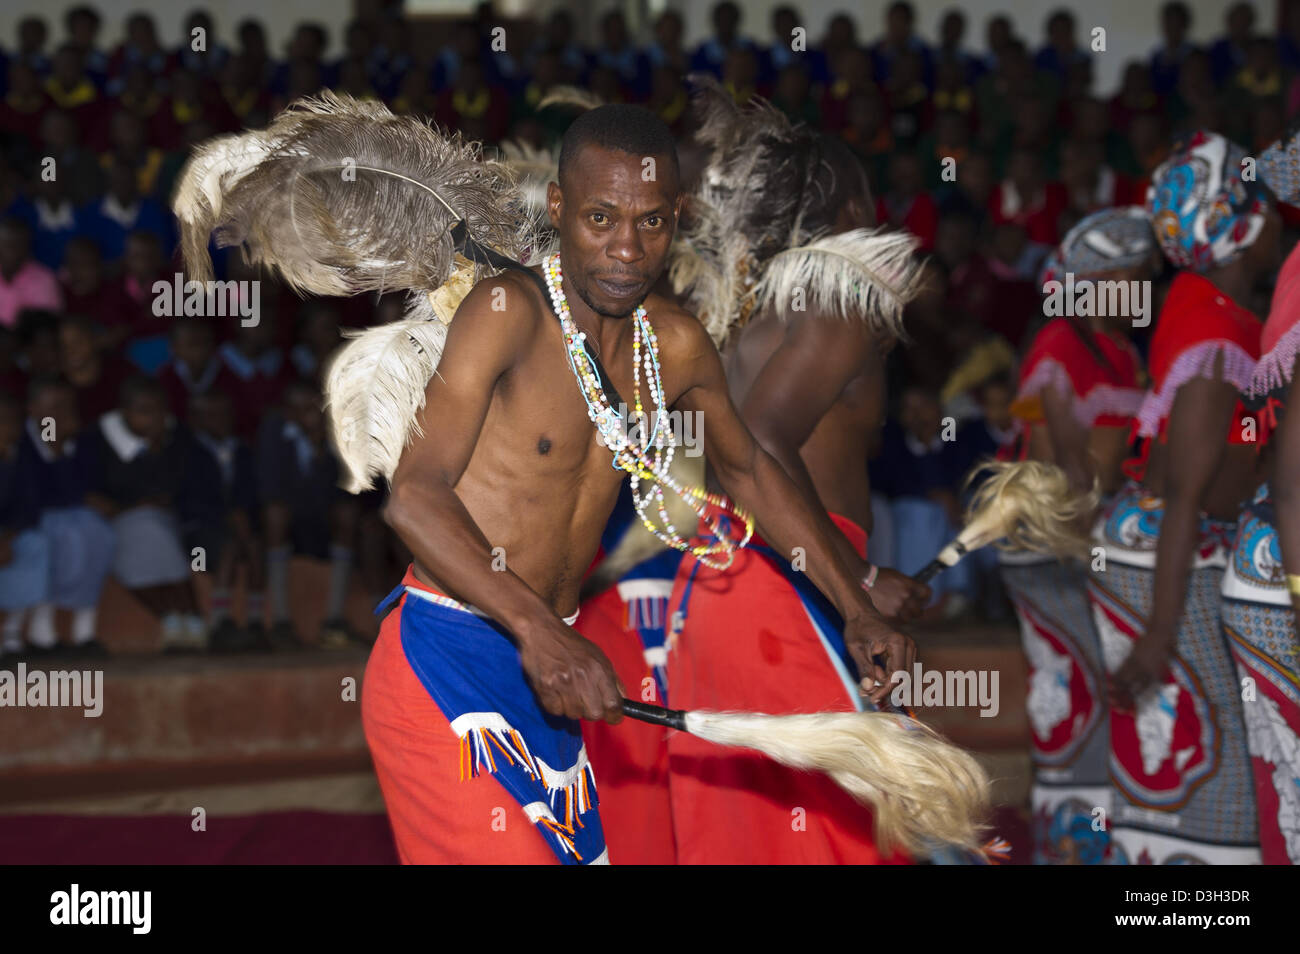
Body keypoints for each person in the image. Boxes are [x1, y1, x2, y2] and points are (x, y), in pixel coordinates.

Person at [176, 96, 918, 865]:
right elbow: (415, 497)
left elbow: (752, 469)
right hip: (447, 660)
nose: (626, 249)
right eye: (601, 219)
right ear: (560, 207)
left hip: (549, 679)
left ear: (677, 217)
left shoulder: (674, 342)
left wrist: (854, 606)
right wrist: (538, 631)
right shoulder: (509, 312)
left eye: (651, 223)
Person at [665, 83, 931, 863]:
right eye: (870, 198)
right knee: (843, 833)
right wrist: (859, 580)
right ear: (849, 209)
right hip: (793, 586)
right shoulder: (840, 294)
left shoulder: (750, 301)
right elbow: (765, 444)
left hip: (731, 578)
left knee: (756, 838)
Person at [1087, 130, 1280, 864]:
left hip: (1164, 546)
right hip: (1170, 553)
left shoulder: (1204, 304)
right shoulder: (1215, 339)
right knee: (1212, 766)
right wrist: (1161, 633)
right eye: (1265, 204)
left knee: (1176, 768)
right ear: (1249, 225)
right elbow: (1190, 494)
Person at [1000, 208, 1155, 864]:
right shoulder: (1058, 349)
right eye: (1136, 277)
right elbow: (1063, 467)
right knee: (1073, 690)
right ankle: (1071, 844)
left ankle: (1095, 838)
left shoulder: (1119, 349)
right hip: (1053, 547)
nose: (1146, 290)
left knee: (1098, 688)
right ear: (1102, 279)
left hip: (1094, 542)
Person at [87, 375, 204, 651]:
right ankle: (180, 618)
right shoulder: (97, 437)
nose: (154, 419)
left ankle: (187, 619)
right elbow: (94, 495)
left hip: (168, 521)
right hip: (116, 522)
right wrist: (134, 507)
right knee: (136, 545)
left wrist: (156, 452)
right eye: (144, 411)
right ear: (125, 412)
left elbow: (175, 491)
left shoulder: (177, 437)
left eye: (160, 411)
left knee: (155, 531)